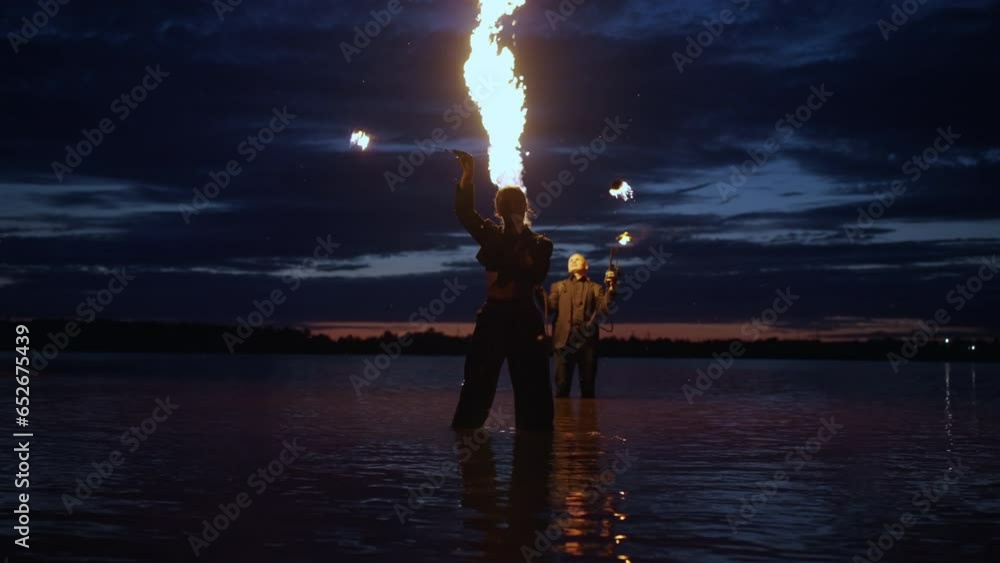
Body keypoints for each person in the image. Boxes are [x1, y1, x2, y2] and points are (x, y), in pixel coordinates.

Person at [449, 150, 555, 431]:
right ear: (498, 210)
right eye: (504, 205)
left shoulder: (541, 244)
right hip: (493, 318)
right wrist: (468, 177)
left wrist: (525, 259)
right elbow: (464, 213)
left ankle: (537, 443)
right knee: (477, 382)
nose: (509, 209)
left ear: (524, 207)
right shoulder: (491, 235)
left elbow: (537, 276)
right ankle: (467, 443)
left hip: (524, 317)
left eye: (513, 204)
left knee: (533, 388)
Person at [547, 253, 616, 398]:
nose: (572, 261)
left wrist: (611, 287)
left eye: (577, 259)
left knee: (588, 389)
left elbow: (605, 309)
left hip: (587, 343)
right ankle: (562, 421)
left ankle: (589, 420)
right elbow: (549, 309)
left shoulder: (596, 288)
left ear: (586, 266)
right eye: (570, 260)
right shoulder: (558, 287)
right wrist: (535, 289)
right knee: (561, 389)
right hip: (563, 343)